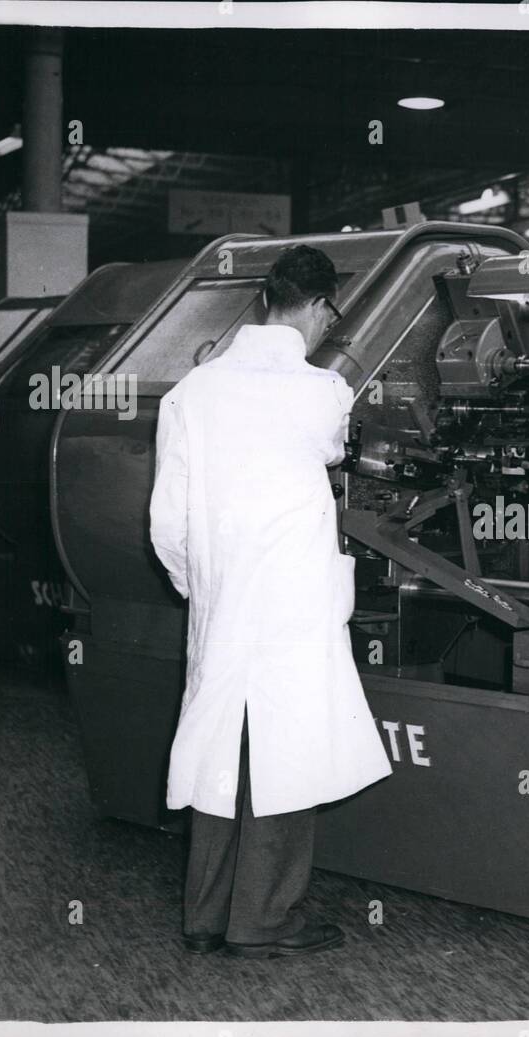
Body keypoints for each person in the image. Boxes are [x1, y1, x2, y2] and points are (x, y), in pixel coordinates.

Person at [149, 245, 391, 959]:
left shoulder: (190, 393)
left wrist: (205, 587)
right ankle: (266, 920)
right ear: (319, 308)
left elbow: (165, 523)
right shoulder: (323, 391)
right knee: (288, 751)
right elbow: (327, 451)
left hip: (222, 599)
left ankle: (206, 915)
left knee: (219, 748)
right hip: (291, 603)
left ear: (264, 300)